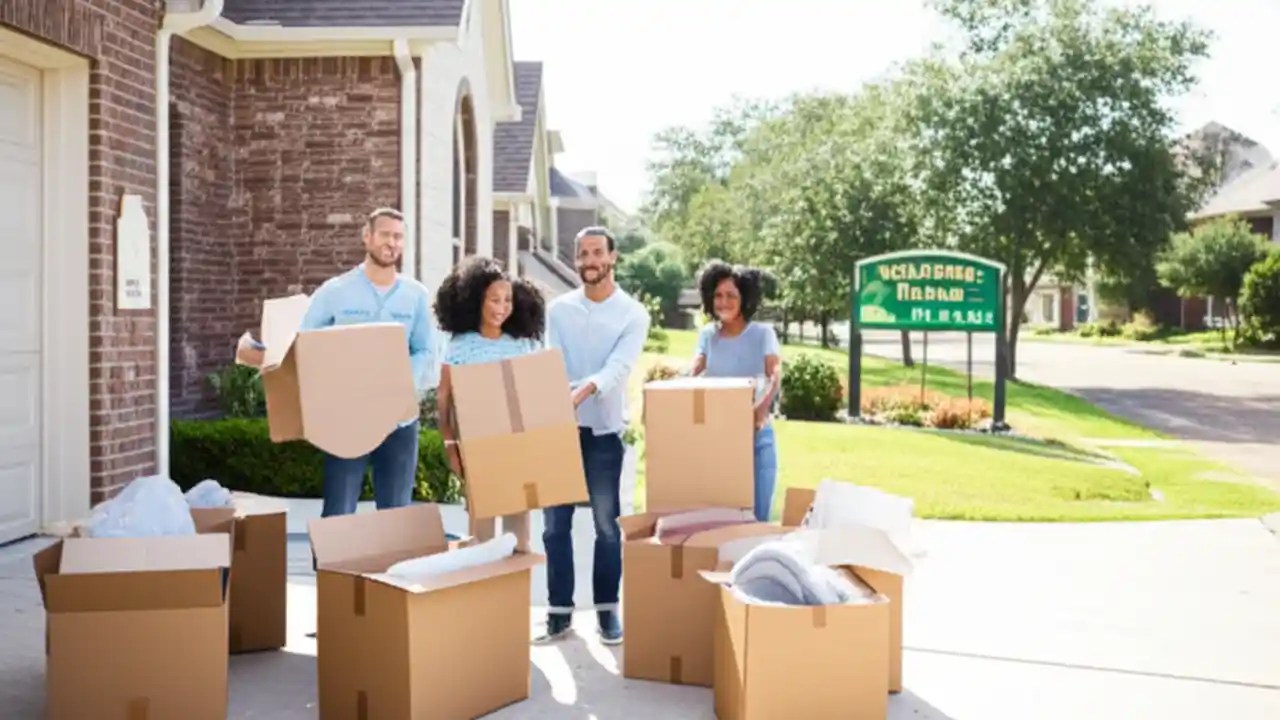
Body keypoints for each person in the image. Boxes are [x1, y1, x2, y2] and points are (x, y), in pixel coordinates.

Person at [537, 226, 650, 646]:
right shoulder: (559, 311)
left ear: (613, 257)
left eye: (597, 252)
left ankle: (606, 612)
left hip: (603, 431)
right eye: (583, 253)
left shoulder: (633, 314)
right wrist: (559, 398)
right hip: (559, 430)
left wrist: (581, 391)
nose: (590, 261)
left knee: (606, 526)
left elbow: (618, 368)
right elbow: (551, 360)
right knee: (554, 527)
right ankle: (558, 615)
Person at [297, 207, 438, 518]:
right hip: (347, 417)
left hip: (399, 420)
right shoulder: (335, 292)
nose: (392, 243)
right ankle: (334, 554)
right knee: (339, 512)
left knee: (395, 515)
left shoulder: (415, 295)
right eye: (385, 234)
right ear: (367, 236)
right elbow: (306, 342)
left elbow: (427, 352)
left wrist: (396, 386)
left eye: (398, 237)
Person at [434, 256, 546, 552]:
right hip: (477, 449)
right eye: (494, 300)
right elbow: (444, 399)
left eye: (507, 300)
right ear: (477, 301)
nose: (502, 307)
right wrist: (451, 447)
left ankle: (515, 581)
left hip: (517, 447)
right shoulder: (460, 346)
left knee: (519, 539)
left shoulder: (523, 344)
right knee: (480, 539)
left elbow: (536, 396)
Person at [690, 260, 783, 522]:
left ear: (745, 298)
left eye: (731, 295)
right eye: (718, 295)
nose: (723, 302)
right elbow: (695, 368)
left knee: (757, 519)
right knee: (722, 522)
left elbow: (775, 374)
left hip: (757, 439)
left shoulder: (763, 334)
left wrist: (761, 408)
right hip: (719, 439)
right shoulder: (708, 335)